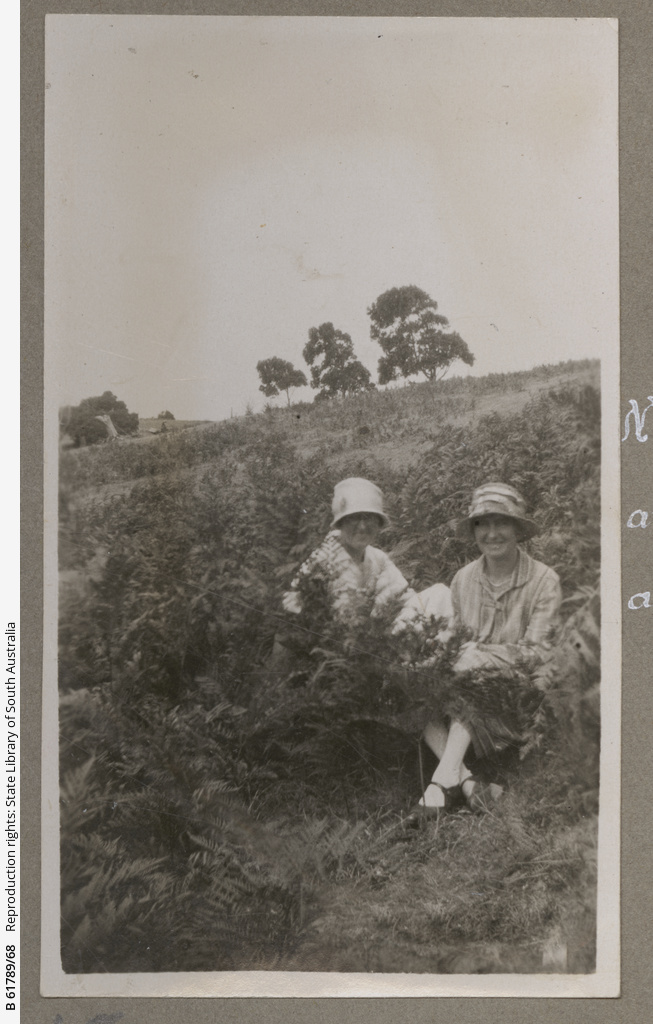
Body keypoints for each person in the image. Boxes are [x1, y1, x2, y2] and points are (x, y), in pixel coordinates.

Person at [417, 482, 562, 813]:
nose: (492, 533)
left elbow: (539, 653)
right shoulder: (463, 579)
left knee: (474, 678)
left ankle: (439, 786)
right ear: (474, 530)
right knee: (412, 686)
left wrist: (480, 658)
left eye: (502, 523)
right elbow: (454, 642)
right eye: (483, 524)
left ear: (518, 529)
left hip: (516, 700)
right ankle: (465, 781)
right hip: (467, 694)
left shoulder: (544, 581)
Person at [282, 477, 452, 630]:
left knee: (439, 593)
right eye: (354, 518)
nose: (362, 526)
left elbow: (404, 596)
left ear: (379, 524)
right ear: (340, 523)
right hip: (339, 644)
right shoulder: (324, 560)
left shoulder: (377, 558)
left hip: (371, 634)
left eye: (369, 518)